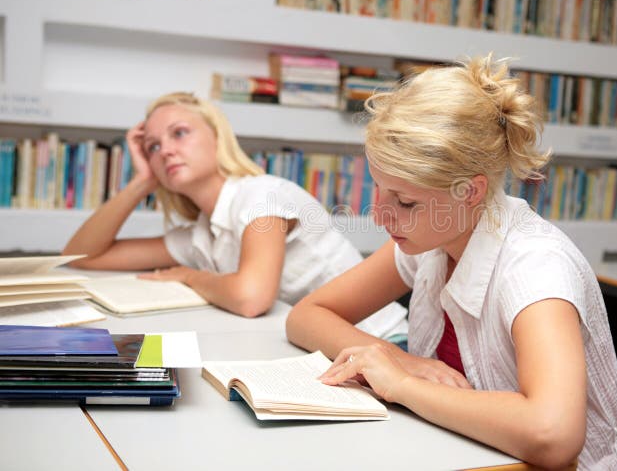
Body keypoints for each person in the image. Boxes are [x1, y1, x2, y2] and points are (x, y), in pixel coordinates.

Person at [286, 56, 617, 469]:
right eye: (379, 189)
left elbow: (553, 435)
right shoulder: (434, 237)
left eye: (405, 201)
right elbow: (307, 315)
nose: (380, 215)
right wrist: (403, 360)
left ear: (470, 192)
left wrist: (403, 383)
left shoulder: (536, 267)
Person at [62, 92, 407, 340]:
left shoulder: (262, 195)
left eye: (179, 133)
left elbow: (251, 298)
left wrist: (189, 277)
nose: (165, 150)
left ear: (217, 137)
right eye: (153, 146)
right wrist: (142, 181)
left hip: (388, 344)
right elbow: (82, 256)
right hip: (325, 351)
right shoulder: (200, 234)